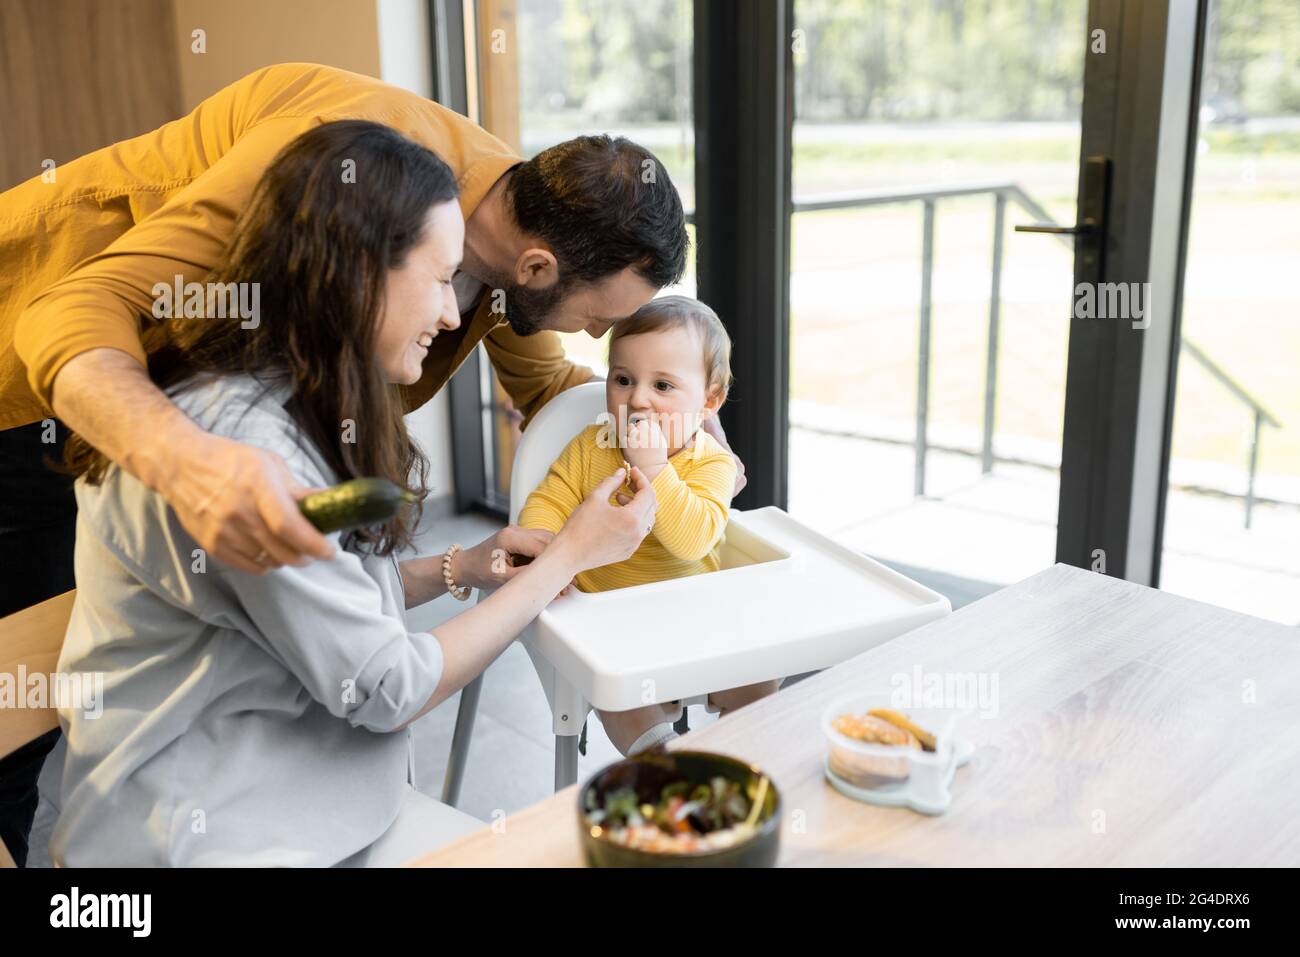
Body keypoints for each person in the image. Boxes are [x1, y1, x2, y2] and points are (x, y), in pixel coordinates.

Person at [0, 61, 735, 864]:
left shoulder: (476, 226)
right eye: (439, 285)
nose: (458, 316)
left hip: (313, 799)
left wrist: (684, 429)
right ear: (357, 276)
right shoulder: (249, 423)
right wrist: (569, 553)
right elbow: (387, 685)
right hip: (52, 387)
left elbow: (332, 583)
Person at [518, 296, 778, 756]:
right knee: (612, 686)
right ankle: (662, 760)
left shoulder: (712, 464)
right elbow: (548, 502)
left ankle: (741, 751)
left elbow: (692, 540)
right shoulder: (591, 447)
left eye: (662, 385)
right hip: (611, 622)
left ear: (709, 401)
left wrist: (657, 470)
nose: (637, 398)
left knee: (762, 666)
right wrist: (541, 554)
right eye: (622, 379)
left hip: (696, 620)